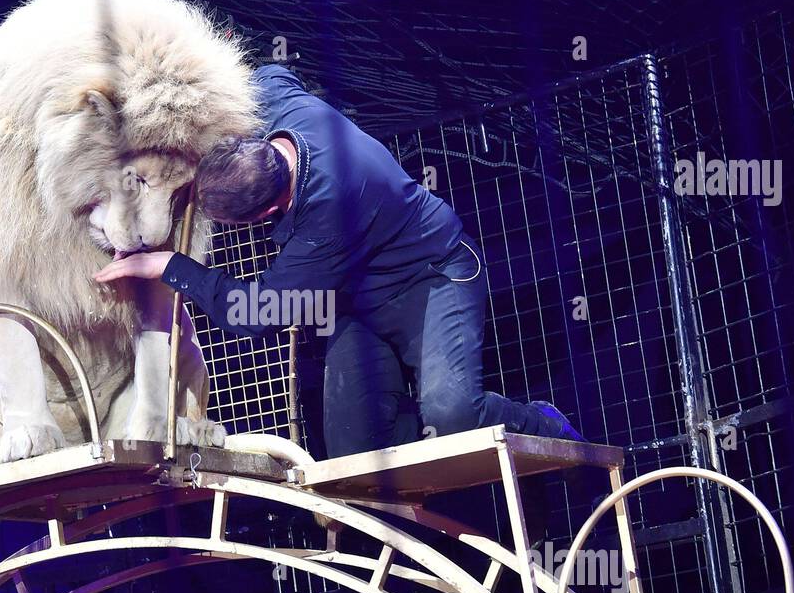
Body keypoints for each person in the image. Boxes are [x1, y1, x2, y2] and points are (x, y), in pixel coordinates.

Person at [95, 63, 584, 457]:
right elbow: (264, 71)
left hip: (431, 281)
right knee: (355, 451)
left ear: (269, 210)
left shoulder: (329, 210)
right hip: (359, 301)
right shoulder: (274, 106)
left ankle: (539, 421)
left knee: (453, 415)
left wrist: (168, 268)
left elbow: (259, 313)